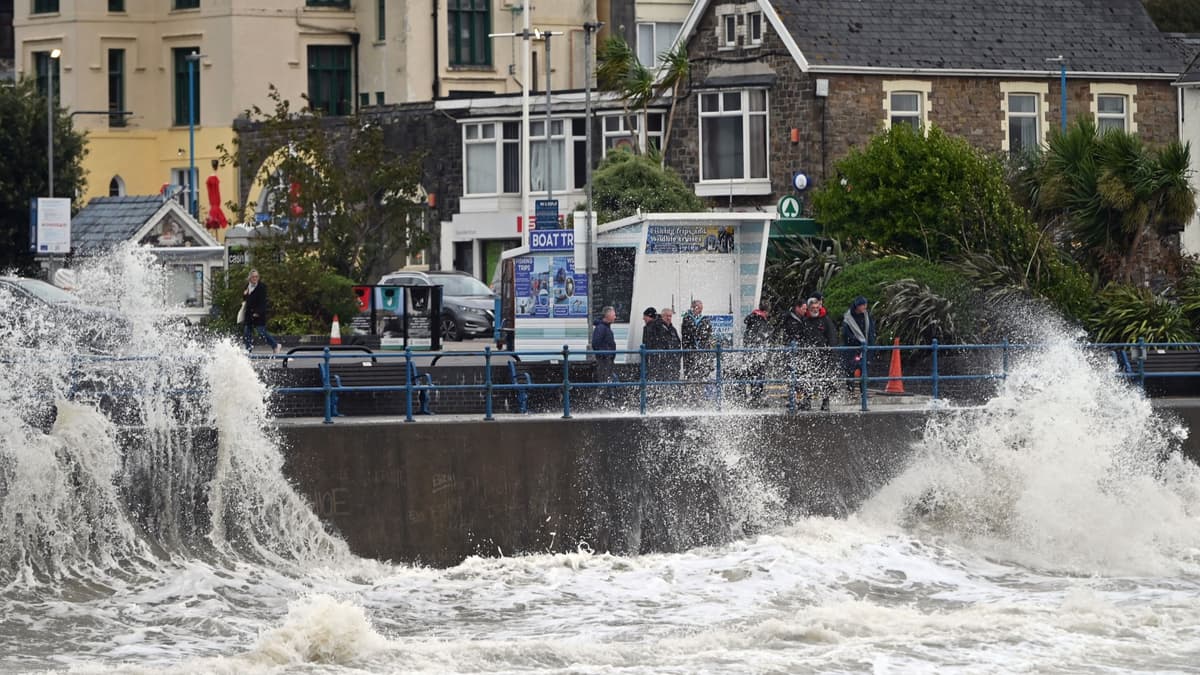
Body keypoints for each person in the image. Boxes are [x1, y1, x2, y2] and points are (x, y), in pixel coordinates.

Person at [779, 297, 837, 411]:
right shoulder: (805, 320)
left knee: (825, 379)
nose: (815, 309)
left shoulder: (825, 320)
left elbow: (832, 336)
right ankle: (807, 401)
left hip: (823, 354)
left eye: (817, 307)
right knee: (806, 378)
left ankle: (825, 401)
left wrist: (832, 352)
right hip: (808, 354)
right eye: (812, 308)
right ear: (808, 309)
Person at [841, 296, 877, 391]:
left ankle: (863, 391)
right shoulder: (848, 318)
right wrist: (855, 340)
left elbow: (871, 331)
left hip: (865, 346)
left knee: (864, 369)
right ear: (857, 306)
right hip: (851, 347)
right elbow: (845, 334)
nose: (865, 307)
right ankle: (850, 389)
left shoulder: (867, 316)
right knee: (850, 369)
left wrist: (872, 345)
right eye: (863, 305)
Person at [242, 269, 281, 354]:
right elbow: (245, 300)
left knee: (261, 332)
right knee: (246, 333)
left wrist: (258, 312)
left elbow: (263, 302)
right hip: (249, 314)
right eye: (253, 277)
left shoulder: (262, 287)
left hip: (258, 314)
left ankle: (275, 345)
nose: (255, 278)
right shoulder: (247, 286)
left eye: (256, 277)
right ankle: (248, 351)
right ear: (250, 278)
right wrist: (245, 295)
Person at [743, 300, 772, 405]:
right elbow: (761, 336)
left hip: (749, 351)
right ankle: (757, 396)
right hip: (757, 352)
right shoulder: (760, 320)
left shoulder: (752, 317)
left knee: (752, 373)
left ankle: (753, 396)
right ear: (766, 311)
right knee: (759, 373)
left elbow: (749, 336)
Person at [681, 299, 714, 382]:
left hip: (702, 353)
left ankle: (700, 393)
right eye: (698, 308)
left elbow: (708, 334)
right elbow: (691, 334)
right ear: (693, 308)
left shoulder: (704, 320)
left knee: (701, 376)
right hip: (690, 352)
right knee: (690, 376)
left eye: (701, 308)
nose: (700, 311)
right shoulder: (687, 319)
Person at [592, 305, 617, 387]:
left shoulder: (604, 328)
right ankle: (604, 397)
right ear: (608, 316)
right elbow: (595, 343)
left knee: (608, 380)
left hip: (607, 359)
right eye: (614, 315)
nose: (615, 317)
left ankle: (605, 397)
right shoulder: (602, 328)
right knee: (605, 380)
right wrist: (605, 355)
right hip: (604, 360)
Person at [658, 307, 682, 384]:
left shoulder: (673, 329)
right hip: (663, 363)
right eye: (666, 316)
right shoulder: (658, 328)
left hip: (674, 363)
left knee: (674, 383)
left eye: (670, 316)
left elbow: (678, 343)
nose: (669, 318)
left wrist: (678, 357)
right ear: (662, 317)